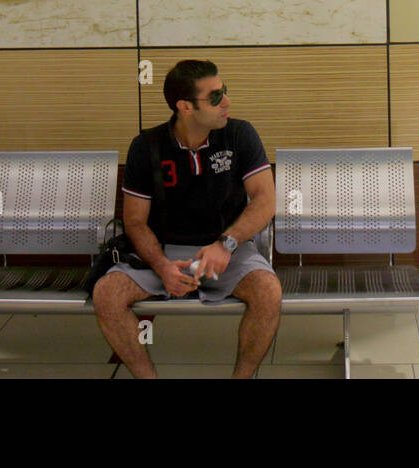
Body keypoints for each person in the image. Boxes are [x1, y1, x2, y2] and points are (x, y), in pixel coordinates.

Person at [93, 60, 281, 379]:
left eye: (225, 91)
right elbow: (135, 222)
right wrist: (162, 266)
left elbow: (265, 200)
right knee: (107, 294)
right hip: (164, 252)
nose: (227, 102)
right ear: (185, 107)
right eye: (215, 96)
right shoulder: (146, 147)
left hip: (228, 250)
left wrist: (226, 244)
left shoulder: (239, 135)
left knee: (268, 292)